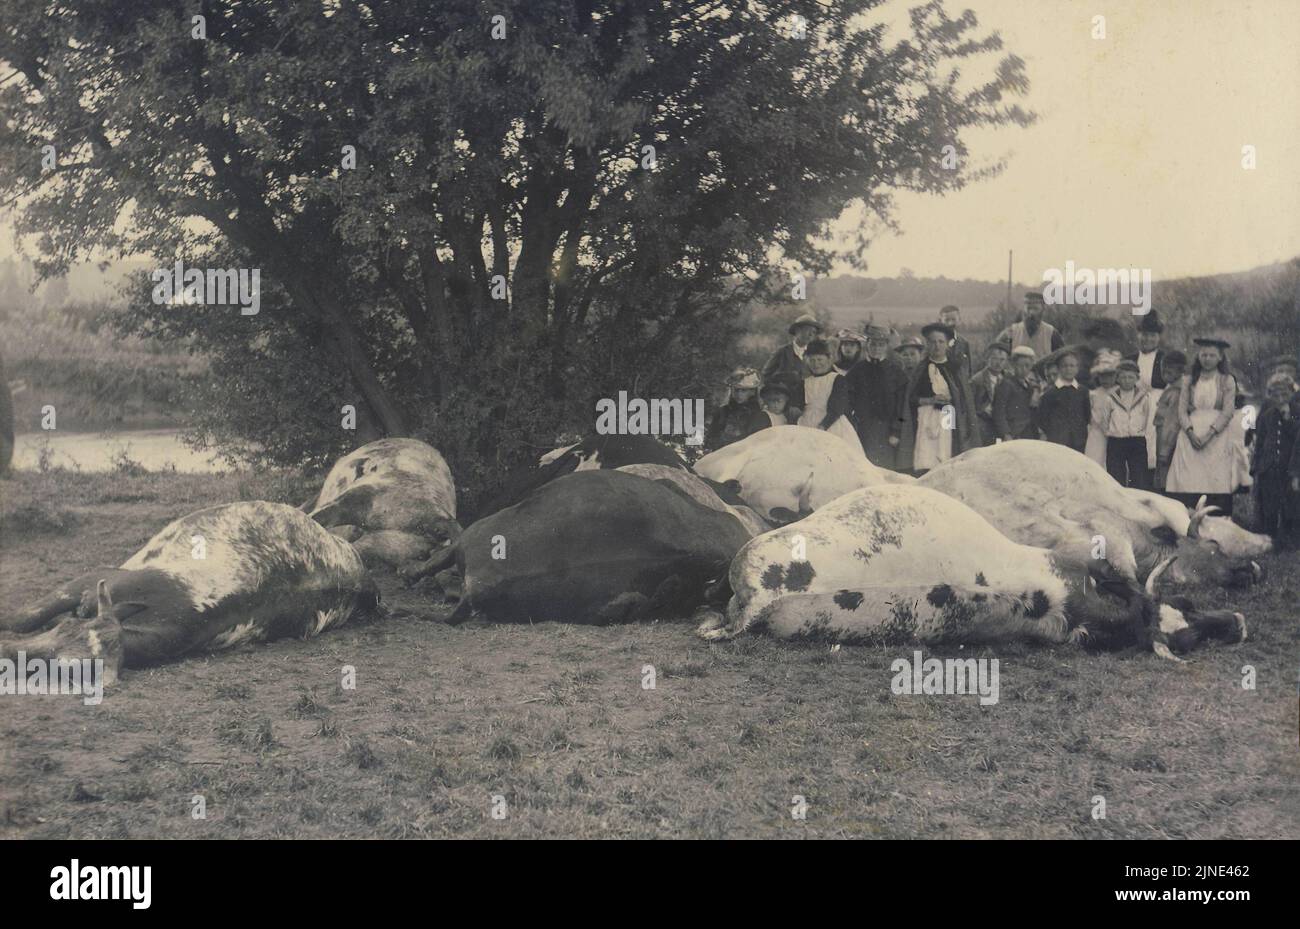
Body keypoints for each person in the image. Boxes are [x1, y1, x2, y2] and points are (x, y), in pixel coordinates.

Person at [1166, 337, 1240, 514]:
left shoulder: (1227, 380)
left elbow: (1228, 411)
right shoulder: (1189, 380)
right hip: (1190, 434)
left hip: (1217, 436)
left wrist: (1209, 435)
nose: (1207, 359)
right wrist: (1190, 433)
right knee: (1187, 477)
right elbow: (1182, 410)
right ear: (1198, 356)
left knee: (1215, 479)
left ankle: (1216, 522)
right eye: (1204, 355)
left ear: (1220, 358)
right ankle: (1186, 523)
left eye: (1212, 355)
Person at [897, 322, 980, 473]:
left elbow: (964, 400)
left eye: (941, 342)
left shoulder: (955, 369)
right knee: (926, 457)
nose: (937, 346)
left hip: (948, 414)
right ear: (927, 344)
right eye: (933, 342)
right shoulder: (920, 370)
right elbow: (911, 399)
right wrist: (930, 400)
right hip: (925, 417)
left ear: (947, 344)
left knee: (946, 452)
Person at [845, 324, 906, 468]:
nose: (876, 348)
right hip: (863, 428)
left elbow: (901, 405)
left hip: (887, 430)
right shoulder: (856, 371)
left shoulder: (896, 372)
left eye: (881, 345)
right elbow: (848, 400)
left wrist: (896, 431)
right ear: (867, 345)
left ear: (886, 346)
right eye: (873, 344)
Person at [1253, 374, 1298, 548]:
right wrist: (1256, 466)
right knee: (1269, 503)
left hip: (1290, 467)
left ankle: (1291, 538)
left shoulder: (1296, 412)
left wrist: (1288, 418)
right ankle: (1269, 537)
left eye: (1284, 394)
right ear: (1270, 395)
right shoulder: (1267, 414)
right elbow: (1260, 441)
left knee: (1291, 503)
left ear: (1291, 393)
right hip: (1269, 466)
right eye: (1275, 395)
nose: (1280, 399)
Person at [798, 339, 866, 455]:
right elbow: (799, 404)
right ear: (807, 361)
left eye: (820, 359)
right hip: (807, 423)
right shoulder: (805, 382)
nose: (816, 364)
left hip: (831, 423)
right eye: (812, 360)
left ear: (829, 359)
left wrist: (823, 425)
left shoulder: (837, 379)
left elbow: (838, 406)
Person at [1102, 360, 1152, 488]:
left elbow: (1147, 418)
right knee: (1115, 474)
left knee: (1139, 475)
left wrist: (1139, 431)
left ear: (1137, 378)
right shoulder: (1111, 398)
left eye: (1131, 377)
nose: (1127, 380)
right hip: (1116, 441)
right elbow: (1105, 419)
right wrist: (1112, 432)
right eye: (1123, 377)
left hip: (1136, 440)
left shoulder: (1144, 397)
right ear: (1117, 378)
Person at [762, 313, 821, 418]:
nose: (811, 335)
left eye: (813, 332)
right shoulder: (783, 352)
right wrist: (777, 394)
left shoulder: (813, 355)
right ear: (797, 331)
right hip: (784, 405)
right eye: (807, 330)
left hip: (807, 405)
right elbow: (766, 375)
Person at [1036, 351, 1090, 453]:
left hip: (1079, 440)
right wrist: (1054, 432)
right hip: (1057, 441)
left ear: (1077, 368)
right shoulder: (1050, 393)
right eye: (1064, 366)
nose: (1068, 369)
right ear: (1059, 369)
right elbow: (1042, 419)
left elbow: (1087, 415)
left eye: (1072, 366)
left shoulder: (1083, 391)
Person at [1151, 350, 1188, 491]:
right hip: (1163, 437)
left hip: (1170, 442)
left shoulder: (1177, 392)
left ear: (1181, 370)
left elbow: (1172, 424)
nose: (1165, 371)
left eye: (1170, 368)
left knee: (1166, 479)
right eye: (1163, 367)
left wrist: (1164, 452)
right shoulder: (1171, 387)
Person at [705, 368, 764, 451]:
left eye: (743, 391)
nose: (739, 394)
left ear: (752, 392)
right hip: (721, 454)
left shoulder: (758, 415)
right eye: (736, 390)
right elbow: (711, 437)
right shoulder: (723, 411)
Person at [997, 291, 1064, 359]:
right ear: (1023, 309)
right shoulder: (1010, 333)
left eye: (1035, 309)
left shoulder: (1052, 334)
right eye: (1028, 308)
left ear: (1043, 310)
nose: (1031, 313)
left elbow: (1062, 360)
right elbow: (996, 356)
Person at [993, 346, 1039, 442]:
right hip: (1013, 433)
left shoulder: (1030, 386)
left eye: (1027, 366)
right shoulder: (1006, 384)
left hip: (1028, 433)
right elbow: (999, 412)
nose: (1023, 369)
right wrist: (1006, 434)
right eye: (1020, 365)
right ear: (1013, 365)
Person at [969, 339, 1010, 446]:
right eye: (994, 358)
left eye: (1002, 360)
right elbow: (970, 405)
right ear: (988, 359)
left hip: (1001, 423)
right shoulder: (978, 380)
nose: (998, 363)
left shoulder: (1007, 378)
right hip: (984, 423)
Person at [1085, 351, 1120, 466]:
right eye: (1102, 376)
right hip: (1096, 434)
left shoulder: (1120, 392)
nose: (1106, 379)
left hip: (1115, 433)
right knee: (1094, 461)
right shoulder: (1093, 394)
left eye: (1110, 375)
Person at [1124, 310, 1168, 390]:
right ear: (1138, 335)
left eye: (1153, 335)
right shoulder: (1129, 359)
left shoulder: (1165, 359)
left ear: (1159, 338)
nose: (1148, 339)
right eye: (1145, 334)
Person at [938, 305, 972, 380]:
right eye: (946, 320)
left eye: (954, 319)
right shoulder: (934, 343)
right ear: (940, 321)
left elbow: (969, 370)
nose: (950, 323)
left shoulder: (964, 343)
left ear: (959, 320)